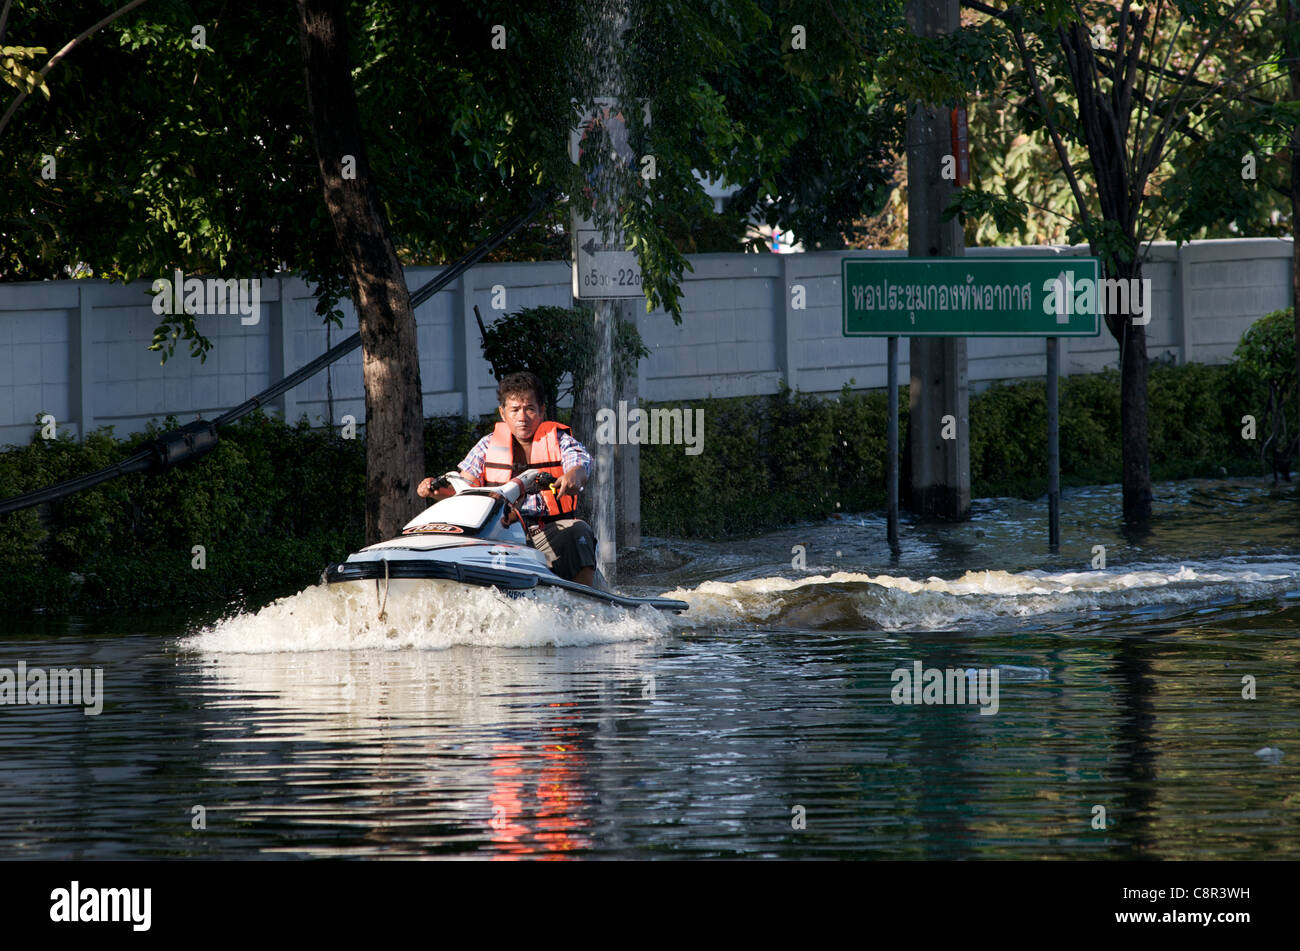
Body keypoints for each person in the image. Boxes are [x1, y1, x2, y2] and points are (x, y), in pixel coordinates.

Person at [418, 371, 599, 588]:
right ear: (503, 414)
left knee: (579, 530)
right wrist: (435, 491)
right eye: (515, 410)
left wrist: (573, 476)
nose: (522, 417)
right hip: (501, 533)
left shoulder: (561, 441)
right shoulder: (486, 446)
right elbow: (463, 488)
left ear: (541, 411)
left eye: (530, 409)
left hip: (549, 530)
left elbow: (580, 466)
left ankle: (588, 603)